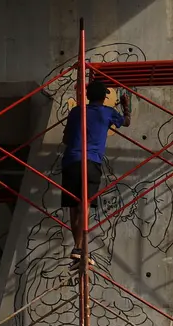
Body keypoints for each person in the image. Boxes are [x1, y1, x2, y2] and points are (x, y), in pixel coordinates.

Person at [61, 79, 131, 263]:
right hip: (91, 162)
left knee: (73, 206)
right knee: (84, 204)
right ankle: (81, 248)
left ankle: (77, 247)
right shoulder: (108, 112)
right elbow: (127, 122)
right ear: (104, 97)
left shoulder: (76, 111)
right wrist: (126, 106)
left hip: (71, 160)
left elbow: (66, 138)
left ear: (87, 95)